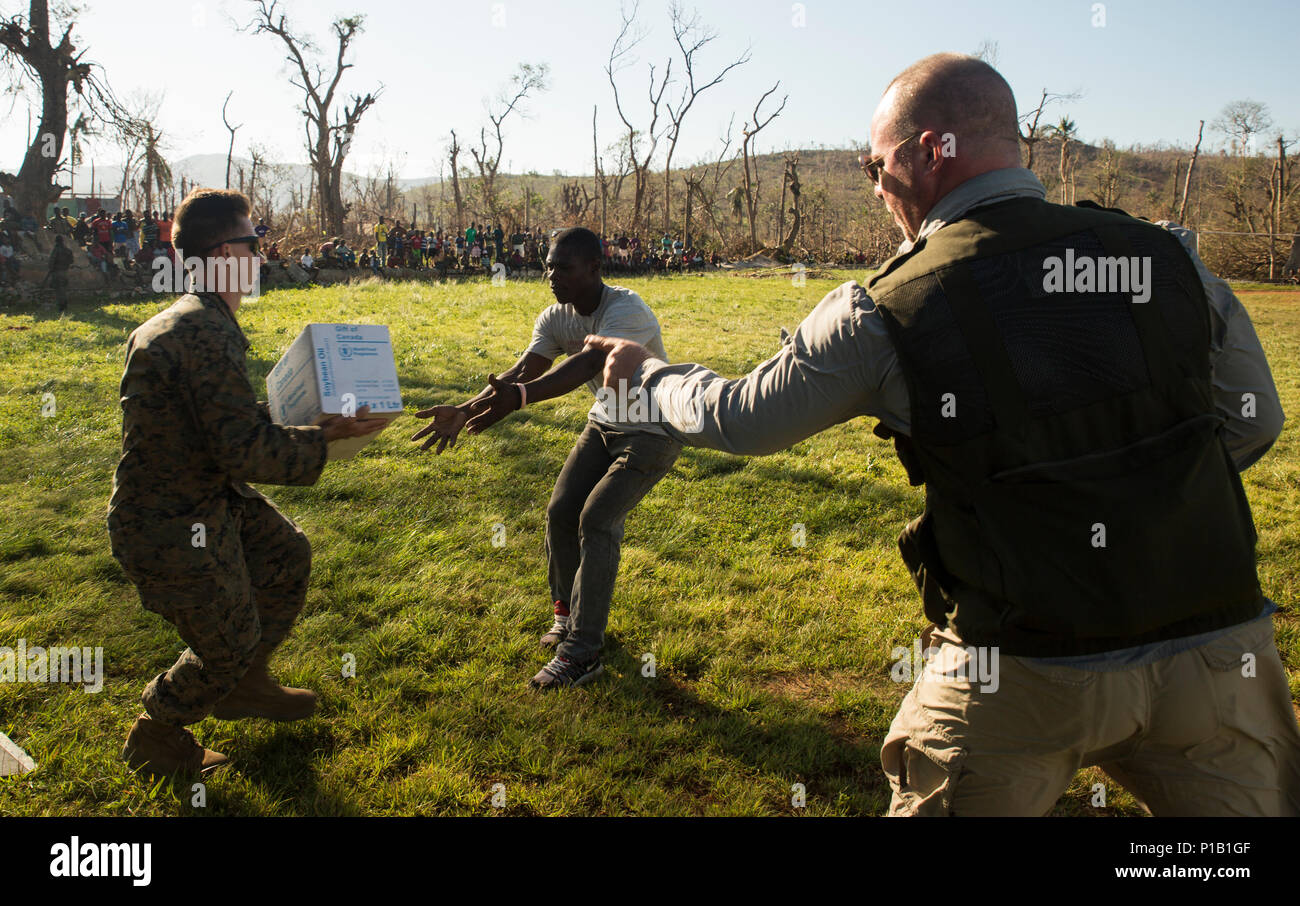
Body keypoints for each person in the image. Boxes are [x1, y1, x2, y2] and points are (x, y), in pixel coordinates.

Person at [584, 53, 1299, 816]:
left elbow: (742, 418)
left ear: (928, 152)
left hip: (1019, 666)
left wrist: (650, 376)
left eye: (875, 164)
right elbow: (1254, 420)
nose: (875, 185)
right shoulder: (1170, 256)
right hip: (1219, 651)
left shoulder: (883, 308)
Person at [109, 188, 391, 776]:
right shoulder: (202, 332)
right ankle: (159, 732)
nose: (262, 255)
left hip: (199, 501)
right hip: (168, 523)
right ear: (220, 252)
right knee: (226, 644)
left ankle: (244, 685)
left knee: (284, 555)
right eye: (253, 243)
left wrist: (302, 421)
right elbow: (244, 451)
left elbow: (220, 426)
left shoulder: (196, 320)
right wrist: (326, 438)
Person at [412, 227, 682, 690]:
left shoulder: (626, 309)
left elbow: (583, 367)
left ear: (595, 269)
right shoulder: (555, 316)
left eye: (563, 267)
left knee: (596, 521)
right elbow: (523, 371)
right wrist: (464, 409)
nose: (550, 275)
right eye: (548, 265)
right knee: (561, 512)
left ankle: (582, 653)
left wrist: (517, 400)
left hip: (653, 428)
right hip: (606, 422)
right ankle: (565, 615)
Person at [47, 234, 74, 313]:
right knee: (64, 289)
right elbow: (71, 261)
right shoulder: (68, 250)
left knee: (58, 290)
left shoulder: (56, 250)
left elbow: (52, 261)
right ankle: (65, 305)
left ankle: (61, 307)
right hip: (65, 271)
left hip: (57, 271)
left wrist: (51, 269)